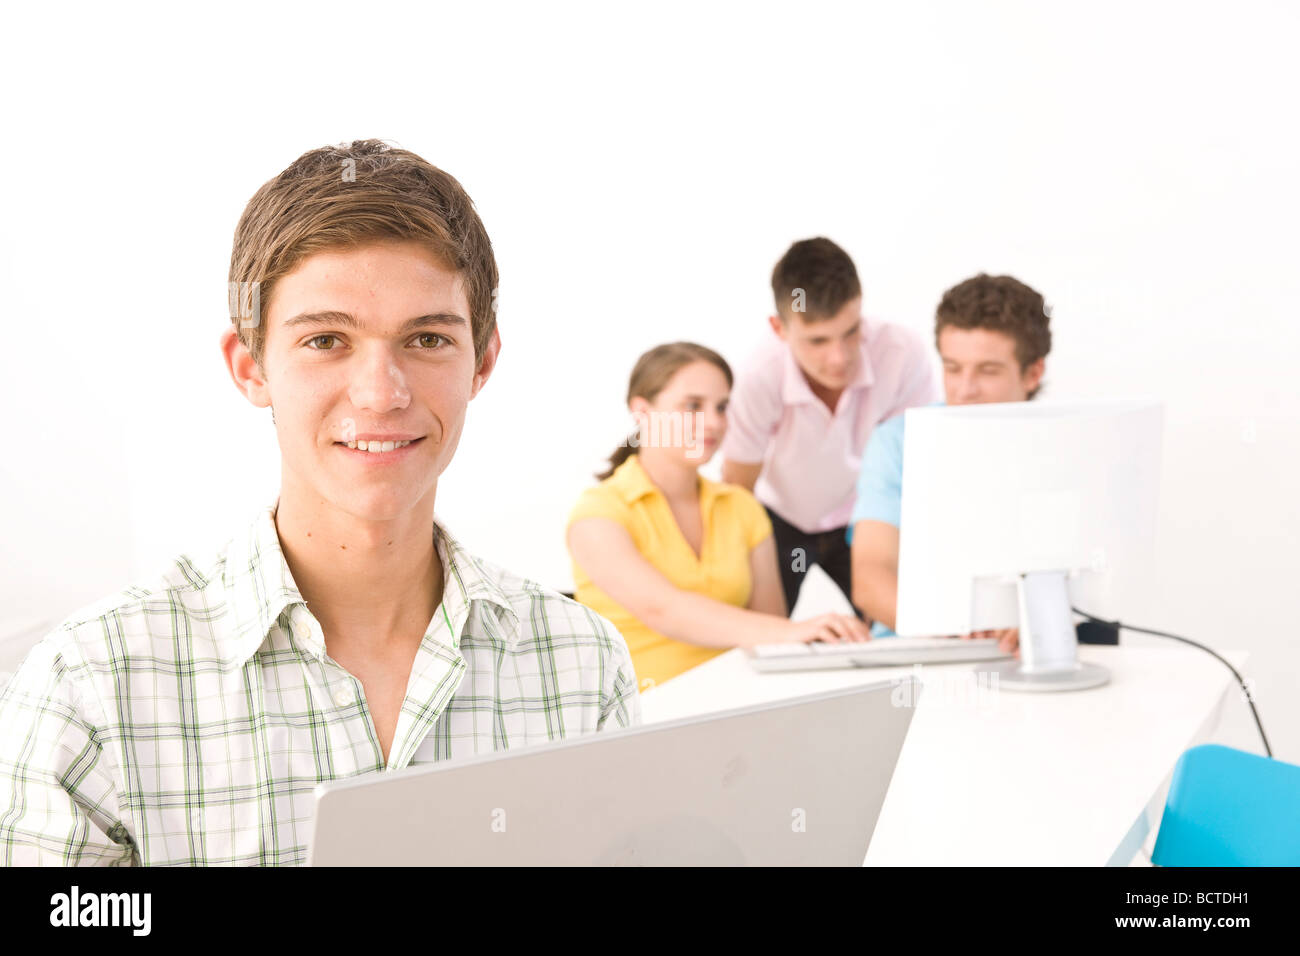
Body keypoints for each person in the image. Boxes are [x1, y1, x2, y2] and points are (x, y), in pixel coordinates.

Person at [0, 140, 639, 866]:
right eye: (326, 340)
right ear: (251, 368)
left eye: (427, 338)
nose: (381, 392)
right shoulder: (92, 681)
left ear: (481, 362)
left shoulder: (582, 663)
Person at [566, 342, 870, 688]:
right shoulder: (599, 514)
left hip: (734, 706)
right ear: (642, 411)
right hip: (642, 715)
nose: (713, 422)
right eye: (693, 406)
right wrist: (798, 629)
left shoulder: (742, 508)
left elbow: (769, 632)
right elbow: (662, 609)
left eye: (722, 407)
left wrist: (812, 639)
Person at [720, 237, 941, 615]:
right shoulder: (758, 376)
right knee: (765, 635)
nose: (839, 359)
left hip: (866, 516)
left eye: (850, 332)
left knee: (901, 623)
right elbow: (738, 488)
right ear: (779, 328)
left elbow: (919, 464)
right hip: (783, 522)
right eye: (817, 340)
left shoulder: (902, 353)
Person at [849, 273, 1052, 652]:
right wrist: (959, 630)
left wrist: (1040, 619)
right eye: (953, 368)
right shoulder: (897, 442)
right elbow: (870, 579)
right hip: (920, 651)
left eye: (987, 371)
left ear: (1032, 373)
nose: (964, 390)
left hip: (1026, 650)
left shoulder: (1065, 447)